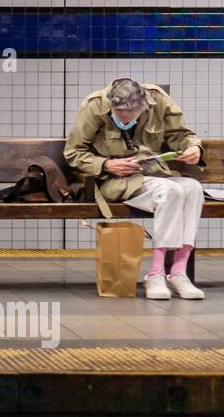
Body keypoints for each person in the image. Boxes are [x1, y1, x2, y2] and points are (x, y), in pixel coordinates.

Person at [64, 77, 206, 300]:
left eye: (132, 115)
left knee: (193, 188)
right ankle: (156, 274)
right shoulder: (94, 106)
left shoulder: (158, 100)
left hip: (154, 175)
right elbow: (73, 153)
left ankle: (179, 271)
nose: (126, 120)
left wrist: (193, 147)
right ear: (111, 105)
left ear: (143, 106)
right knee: (171, 192)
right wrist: (106, 164)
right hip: (114, 181)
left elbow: (181, 135)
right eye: (120, 115)